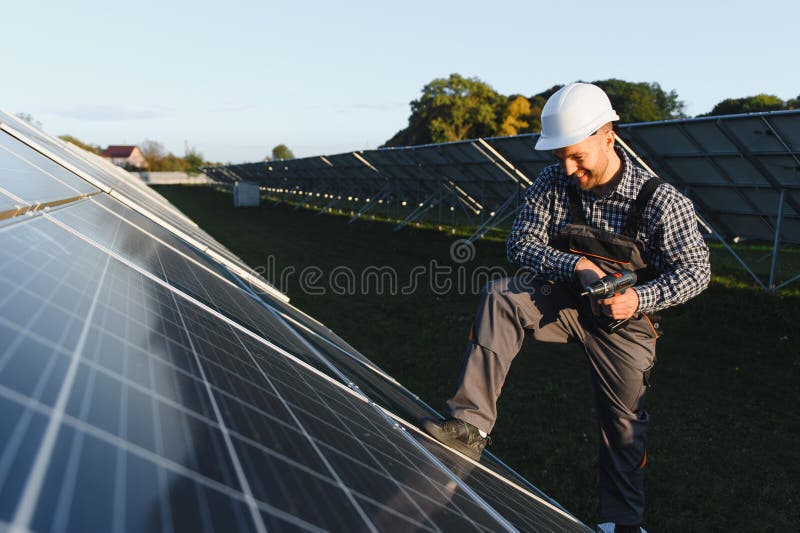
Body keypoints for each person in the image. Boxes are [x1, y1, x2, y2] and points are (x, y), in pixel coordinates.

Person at [422, 82, 711, 533]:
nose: (569, 168)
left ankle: (623, 522)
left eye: (578, 156)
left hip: (627, 325)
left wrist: (637, 297)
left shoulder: (659, 202)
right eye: (561, 157)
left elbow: (696, 271)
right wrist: (575, 264)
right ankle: (469, 427)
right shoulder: (554, 183)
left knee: (625, 426)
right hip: (565, 303)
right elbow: (520, 243)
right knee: (502, 296)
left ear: (608, 137)